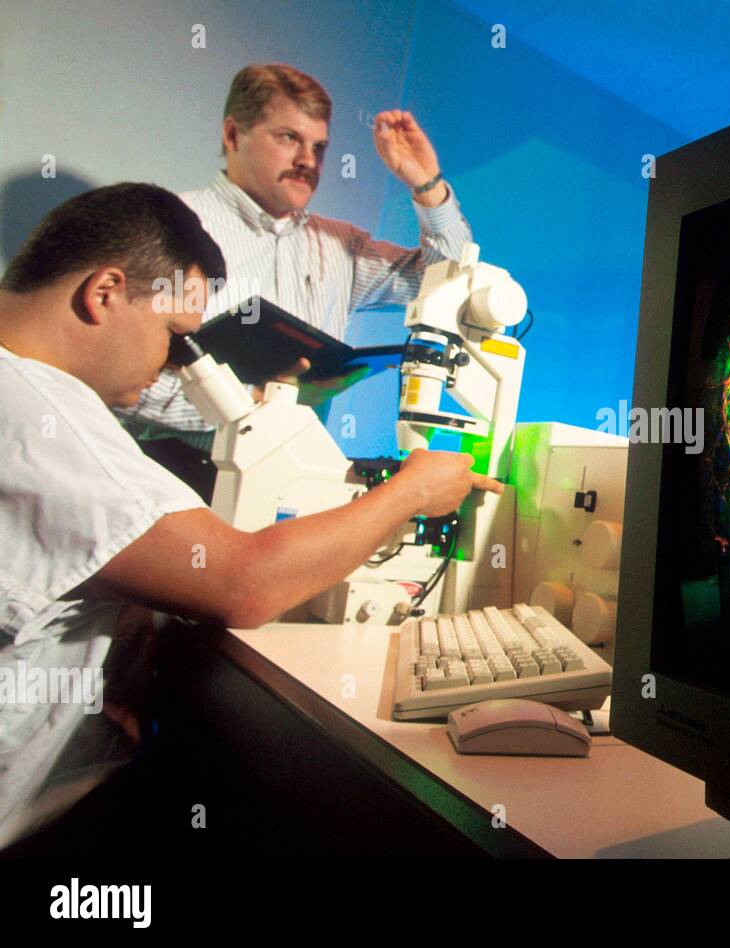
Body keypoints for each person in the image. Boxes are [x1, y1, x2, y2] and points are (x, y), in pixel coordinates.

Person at [0, 183, 501, 849]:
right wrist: (412, 490)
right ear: (104, 293)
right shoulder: (40, 412)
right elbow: (242, 582)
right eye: (175, 337)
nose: (170, 367)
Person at [116, 63, 474, 499]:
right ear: (233, 135)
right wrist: (264, 402)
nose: (308, 161)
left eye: (319, 147)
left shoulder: (341, 246)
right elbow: (124, 387)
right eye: (289, 138)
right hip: (167, 480)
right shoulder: (169, 226)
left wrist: (427, 184)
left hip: (289, 484)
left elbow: (448, 282)